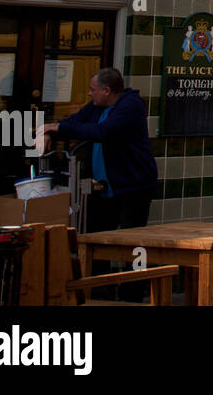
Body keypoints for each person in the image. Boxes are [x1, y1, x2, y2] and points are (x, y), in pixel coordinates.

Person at [41, 67, 158, 301]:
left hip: (133, 186)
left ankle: (133, 292)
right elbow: (76, 122)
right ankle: (100, 292)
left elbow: (104, 132)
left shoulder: (129, 107)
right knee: (96, 238)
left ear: (106, 91)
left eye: (93, 90)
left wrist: (60, 128)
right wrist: (52, 131)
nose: (89, 94)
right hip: (104, 187)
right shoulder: (97, 107)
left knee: (134, 240)